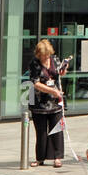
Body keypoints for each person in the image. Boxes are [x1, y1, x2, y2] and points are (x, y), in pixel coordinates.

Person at [28, 39, 67, 167]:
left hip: (55, 102)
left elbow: (59, 74)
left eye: (48, 54)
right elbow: (36, 83)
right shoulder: (34, 63)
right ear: (38, 54)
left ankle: (57, 157)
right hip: (40, 102)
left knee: (57, 129)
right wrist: (52, 90)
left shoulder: (54, 59)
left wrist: (63, 70)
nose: (46, 57)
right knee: (41, 132)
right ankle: (40, 158)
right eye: (44, 55)